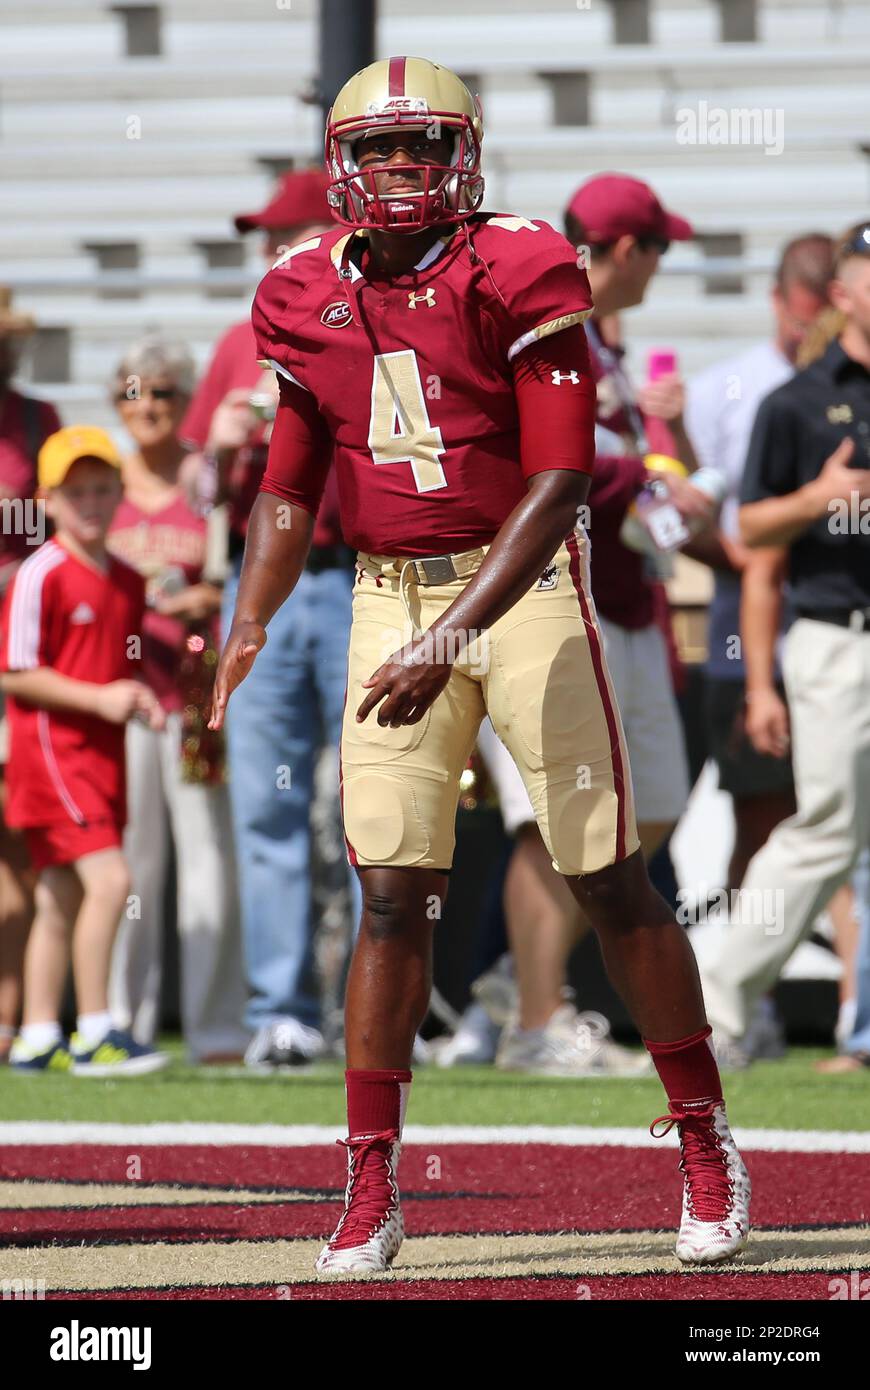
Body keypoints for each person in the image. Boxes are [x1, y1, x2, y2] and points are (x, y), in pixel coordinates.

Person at [210, 57, 751, 1275]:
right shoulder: (299, 289)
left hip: (520, 587)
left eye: (423, 145)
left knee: (606, 872)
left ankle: (707, 1140)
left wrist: (449, 636)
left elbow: (560, 480)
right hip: (386, 590)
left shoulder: (518, 262)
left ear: (463, 152)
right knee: (393, 893)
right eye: (379, 149)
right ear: (344, 165)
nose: (401, 169)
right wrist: (248, 619)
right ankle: (370, 1181)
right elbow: (289, 484)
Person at [183, 171, 359, 1068]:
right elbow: (194, 498)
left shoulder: (360, 327)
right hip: (258, 589)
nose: (267, 252)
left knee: (375, 796)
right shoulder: (233, 341)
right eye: (264, 238)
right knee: (267, 801)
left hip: (355, 574)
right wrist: (214, 454)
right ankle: (281, 1011)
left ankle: (375, 1003)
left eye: (283, 234)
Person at [699, 222, 870, 1050]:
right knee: (829, 825)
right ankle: (722, 1005)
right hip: (839, 639)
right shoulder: (795, 402)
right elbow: (754, 538)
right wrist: (823, 496)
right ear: (842, 294)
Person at [0, 427, 167, 1074]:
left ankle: (40, 1035)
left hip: (102, 756)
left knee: (60, 896)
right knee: (112, 880)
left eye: (103, 489)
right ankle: (95, 1029)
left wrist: (139, 697)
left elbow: (117, 667)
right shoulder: (40, 574)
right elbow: (13, 670)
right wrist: (98, 702)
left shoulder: (125, 577)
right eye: (77, 492)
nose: (91, 502)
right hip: (53, 754)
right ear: (46, 499)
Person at [106, 337, 248, 1064]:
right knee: (131, 867)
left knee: (209, 861)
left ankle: (217, 1031)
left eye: (163, 391)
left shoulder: (205, 480)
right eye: (135, 391)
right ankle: (122, 1024)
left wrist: (207, 596)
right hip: (123, 700)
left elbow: (243, 567)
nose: (150, 405)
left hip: (194, 695)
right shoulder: (97, 483)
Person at [0, 288, 62, 1061]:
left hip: (18, 650)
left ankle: (12, 1019)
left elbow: (59, 534)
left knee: (17, 839)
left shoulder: (36, 421)